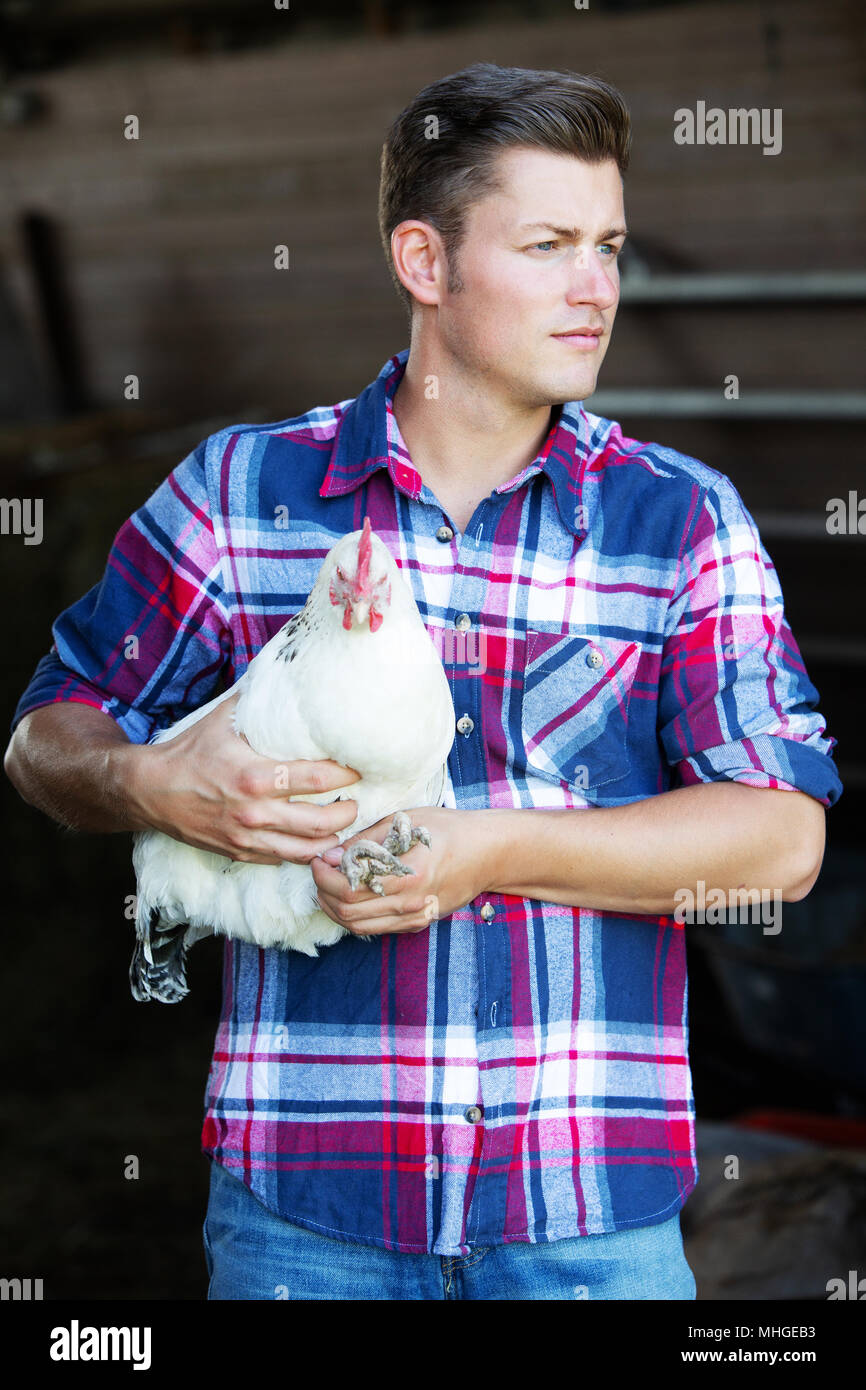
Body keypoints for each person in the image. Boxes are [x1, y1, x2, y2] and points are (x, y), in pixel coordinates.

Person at [4, 63, 841, 1301]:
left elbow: (779, 840)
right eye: (549, 243)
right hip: (305, 1212)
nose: (595, 287)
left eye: (606, 245)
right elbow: (41, 736)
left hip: (585, 1219)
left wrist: (481, 849)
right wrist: (150, 779)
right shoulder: (243, 496)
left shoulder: (677, 522)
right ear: (423, 262)